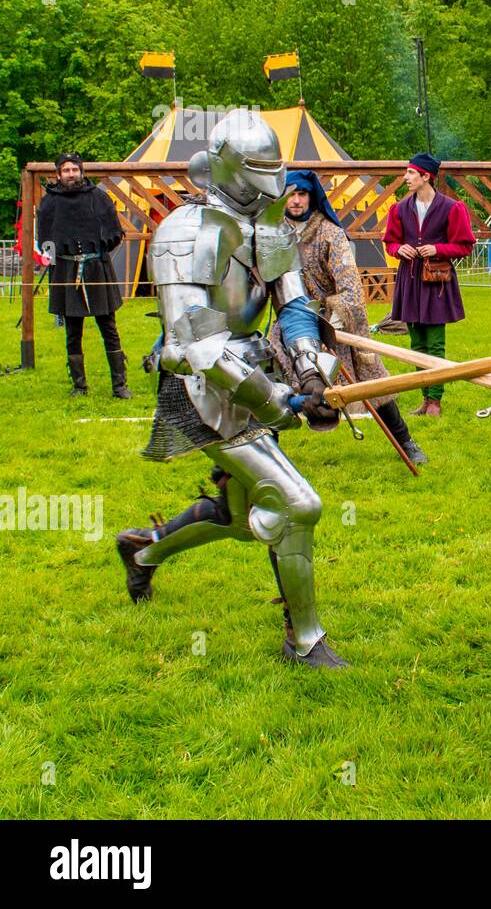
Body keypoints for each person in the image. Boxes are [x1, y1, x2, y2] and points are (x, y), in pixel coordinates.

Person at [114, 111, 348, 668]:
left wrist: (312, 373)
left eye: (275, 165)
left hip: (254, 366)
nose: (271, 178)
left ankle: (143, 552)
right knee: (297, 503)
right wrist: (279, 400)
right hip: (202, 386)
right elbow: (196, 343)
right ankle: (305, 640)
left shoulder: (269, 227)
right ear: (224, 167)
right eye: (257, 166)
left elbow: (294, 308)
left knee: (241, 517)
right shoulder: (185, 231)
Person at [269, 170, 427, 466]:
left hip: (333, 323)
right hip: (290, 324)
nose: (296, 200)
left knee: (373, 381)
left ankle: (406, 442)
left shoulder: (329, 233)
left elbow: (351, 288)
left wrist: (335, 316)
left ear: (311, 197)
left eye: (302, 194)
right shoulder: (274, 234)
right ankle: (267, 454)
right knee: (271, 382)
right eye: (291, 194)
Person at [382, 153, 475, 418]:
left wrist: (438, 248)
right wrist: (400, 249)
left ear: (426, 176)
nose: (405, 178)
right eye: (407, 173)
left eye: (411, 173)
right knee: (417, 344)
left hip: (437, 283)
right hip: (410, 281)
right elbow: (390, 242)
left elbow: (465, 245)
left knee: (435, 344)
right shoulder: (399, 209)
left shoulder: (452, 208)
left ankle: (435, 401)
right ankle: (424, 399)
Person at [36, 152, 132, 398]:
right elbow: (46, 240)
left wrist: (94, 255)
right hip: (67, 270)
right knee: (73, 331)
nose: (71, 174)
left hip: (96, 268)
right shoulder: (49, 203)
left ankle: (120, 386)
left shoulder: (98, 198)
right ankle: (79, 387)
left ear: (81, 171)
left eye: (75, 170)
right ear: (58, 174)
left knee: (108, 327)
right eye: (66, 170)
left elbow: (112, 232)